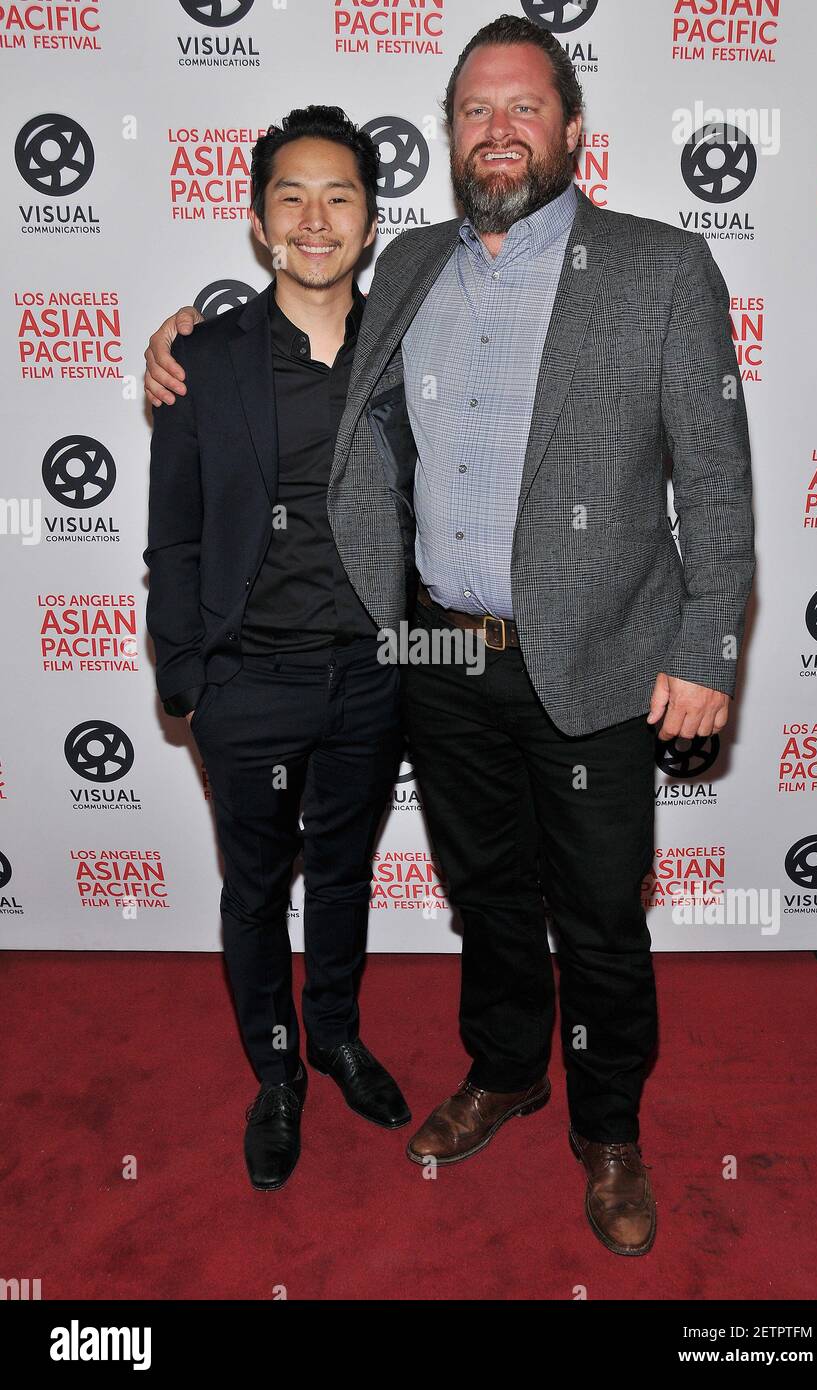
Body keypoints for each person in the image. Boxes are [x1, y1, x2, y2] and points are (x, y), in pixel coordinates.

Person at [144, 15, 755, 1254]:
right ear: (447, 133)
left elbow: (719, 483)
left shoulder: (660, 267)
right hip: (439, 657)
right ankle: (505, 1068)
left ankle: (609, 1132)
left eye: (523, 108)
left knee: (595, 913)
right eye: (475, 110)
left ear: (572, 130)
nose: (498, 131)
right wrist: (179, 348)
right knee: (485, 896)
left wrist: (705, 648)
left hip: (594, 663)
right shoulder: (412, 268)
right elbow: (296, 323)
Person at [144, 106, 411, 1194]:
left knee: (342, 872)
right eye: (290, 198)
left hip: (373, 674)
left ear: (370, 217)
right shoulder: (200, 361)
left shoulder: (412, 350)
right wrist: (187, 681)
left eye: (338, 196)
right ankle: (273, 1072)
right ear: (258, 223)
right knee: (256, 888)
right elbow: (174, 532)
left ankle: (333, 1038)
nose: (314, 218)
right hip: (246, 679)